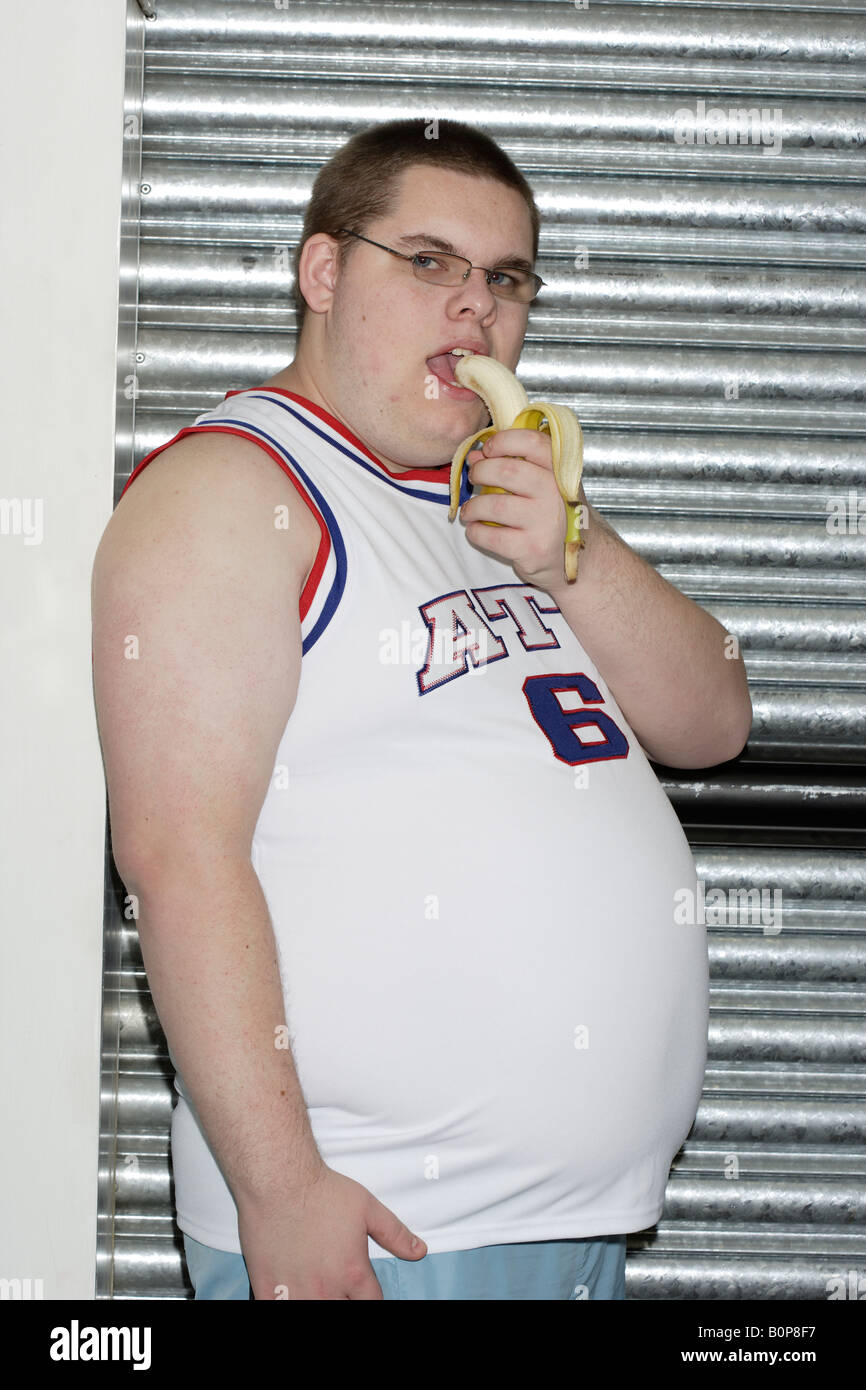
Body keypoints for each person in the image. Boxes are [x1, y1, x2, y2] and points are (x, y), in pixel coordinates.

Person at [91, 117, 752, 1301]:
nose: (475, 308)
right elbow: (176, 853)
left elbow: (712, 719)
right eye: (431, 261)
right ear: (324, 270)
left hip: (558, 1225)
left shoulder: (495, 496)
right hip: (388, 1230)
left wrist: (572, 555)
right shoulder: (239, 486)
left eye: (504, 278)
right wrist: (282, 1189)